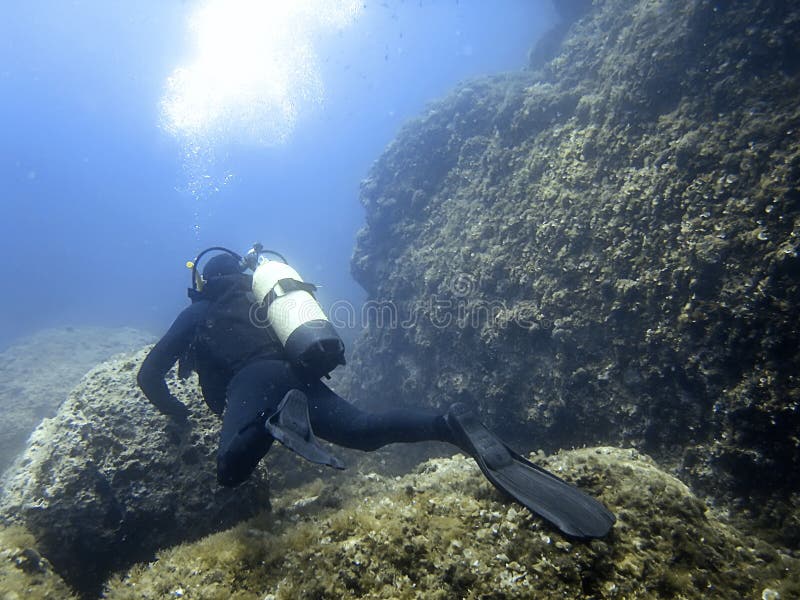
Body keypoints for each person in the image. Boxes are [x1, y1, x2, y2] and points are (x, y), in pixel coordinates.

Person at [138, 247, 615, 539]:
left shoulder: (197, 314)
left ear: (202, 283)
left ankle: (275, 423)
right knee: (365, 430)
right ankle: (447, 423)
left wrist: (176, 413)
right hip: (295, 374)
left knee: (229, 469)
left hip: (252, 384)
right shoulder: (266, 303)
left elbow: (150, 376)